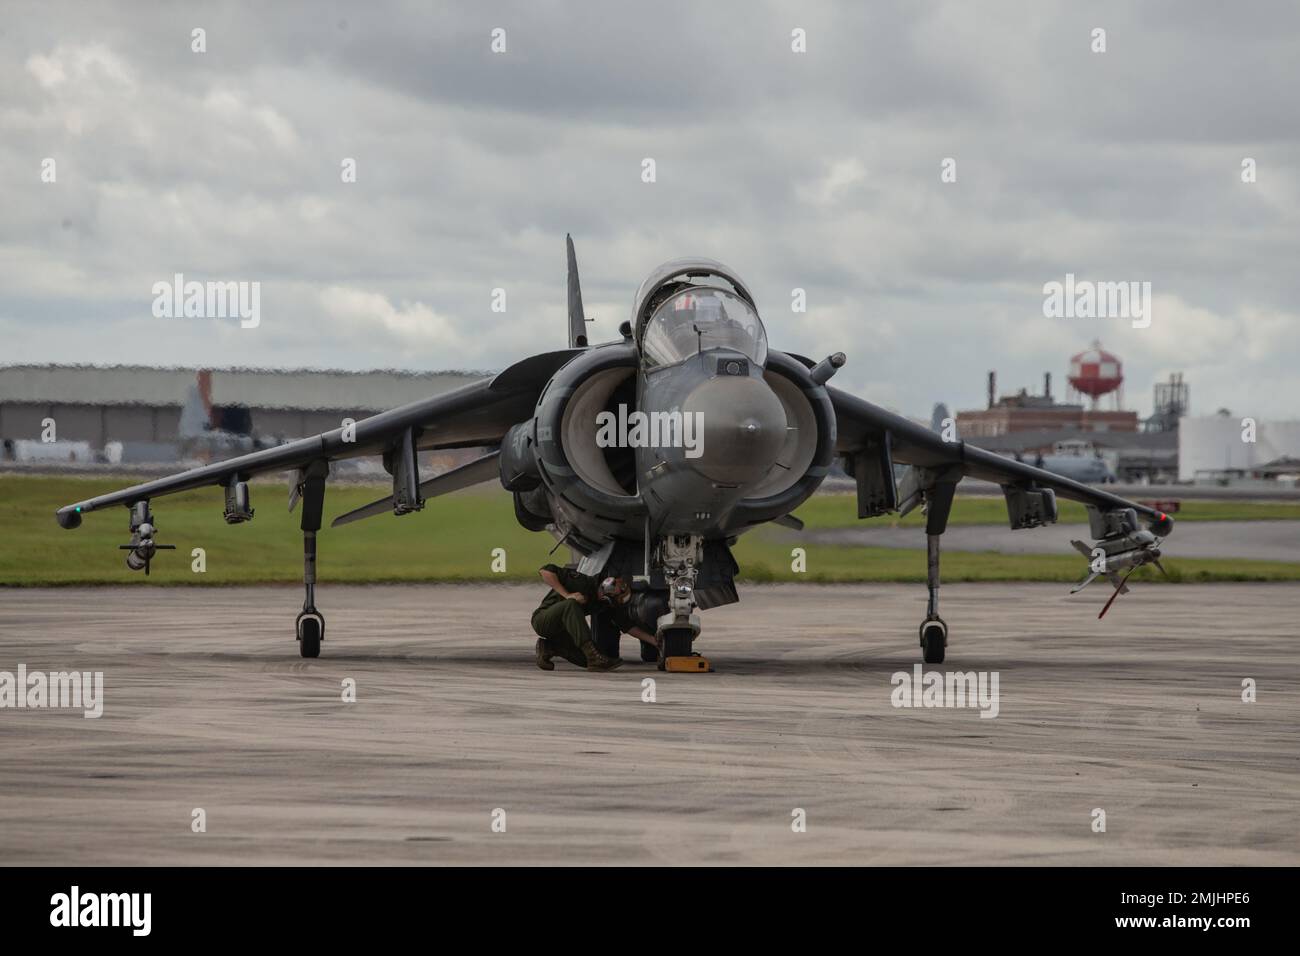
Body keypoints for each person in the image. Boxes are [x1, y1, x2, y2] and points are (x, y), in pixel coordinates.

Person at [531, 564, 659, 672]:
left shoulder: (604, 602)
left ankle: (549, 647)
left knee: (584, 660)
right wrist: (567, 595)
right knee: (571, 604)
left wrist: (654, 641)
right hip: (543, 621)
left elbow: (627, 626)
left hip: (564, 629)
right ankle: (592, 656)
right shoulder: (582, 582)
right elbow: (545, 571)